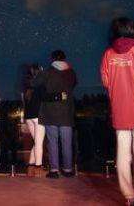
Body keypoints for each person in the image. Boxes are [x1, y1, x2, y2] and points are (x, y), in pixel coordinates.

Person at [101, 17, 134, 206]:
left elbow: (106, 82)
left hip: (119, 109)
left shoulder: (108, 54)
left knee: (123, 155)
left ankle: (128, 197)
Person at [32, 50, 77, 179]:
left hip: (50, 111)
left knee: (52, 142)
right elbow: (73, 85)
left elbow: (34, 83)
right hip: (66, 110)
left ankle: (54, 170)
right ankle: (68, 169)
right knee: (67, 141)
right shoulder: (71, 72)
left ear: (53, 59)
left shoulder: (47, 72)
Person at [23, 64, 46, 175]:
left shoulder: (27, 85)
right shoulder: (40, 85)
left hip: (28, 118)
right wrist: (59, 96)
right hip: (38, 117)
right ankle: (38, 168)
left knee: (36, 142)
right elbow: (46, 97)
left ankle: (30, 167)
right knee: (39, 143)